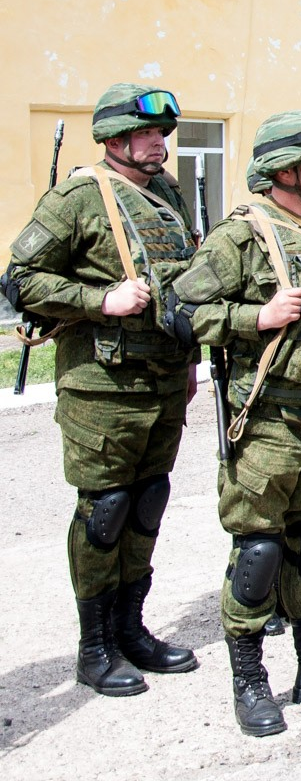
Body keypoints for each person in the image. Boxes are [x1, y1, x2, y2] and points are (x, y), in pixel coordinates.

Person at [171, 110, 301, 735]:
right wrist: (254, 318)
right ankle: (250, 680)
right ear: (282, 170)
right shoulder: (241, 235)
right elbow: (178, 311)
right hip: (268, 421)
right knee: (259, 548)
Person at [2, 83, 200, 697]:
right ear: (114, 139)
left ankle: (131, 628)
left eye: (162, 134)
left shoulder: (165, 195)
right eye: (147, 135)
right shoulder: (77, 198)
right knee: (105, 509)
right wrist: (100, 300)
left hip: (162, 378)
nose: (159, 144)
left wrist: (189, 360)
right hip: (102, 387)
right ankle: (94, 647)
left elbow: (180, 283)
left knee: (147, 502)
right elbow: (20, 280)